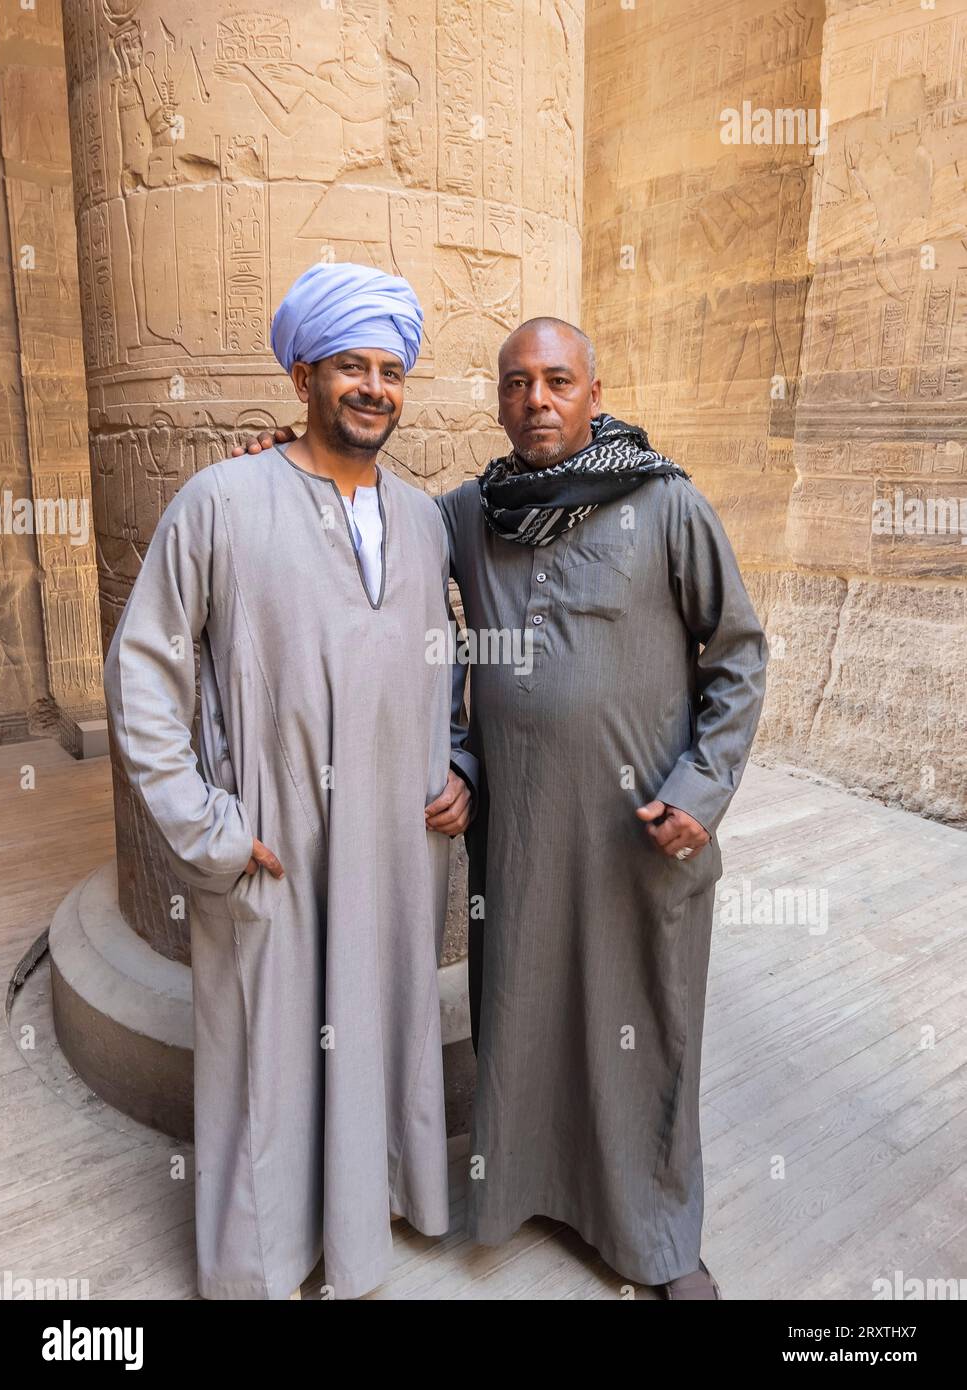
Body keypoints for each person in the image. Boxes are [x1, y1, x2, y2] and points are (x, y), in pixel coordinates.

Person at [235, 314, 769, 1300]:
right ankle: (524, 1192)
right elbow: (372, 513)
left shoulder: (667, 504)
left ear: (594, 395)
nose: (537, 401)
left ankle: (657, 1237)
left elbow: (737, 655)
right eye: (517, 383)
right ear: (498, 398)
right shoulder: (472, 513)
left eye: (558, 381)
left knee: (646, 1025)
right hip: (519, 834)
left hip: (641, 835)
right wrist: (290, 460)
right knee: (522, 1014)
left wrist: (701, 792)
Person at [104, 261, 476, 1301]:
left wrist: (461, 765)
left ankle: (366, 1232)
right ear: (303, 374)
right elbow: (144, 671)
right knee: (270, 1060)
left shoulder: (423, 521)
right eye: (350, 364)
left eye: (390, 369)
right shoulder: (222, 500)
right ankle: (263, 1265)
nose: (374, 386)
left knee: (372, 1033)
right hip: (272, 845)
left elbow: (442, 661)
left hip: (398, 847)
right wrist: (208, 828)